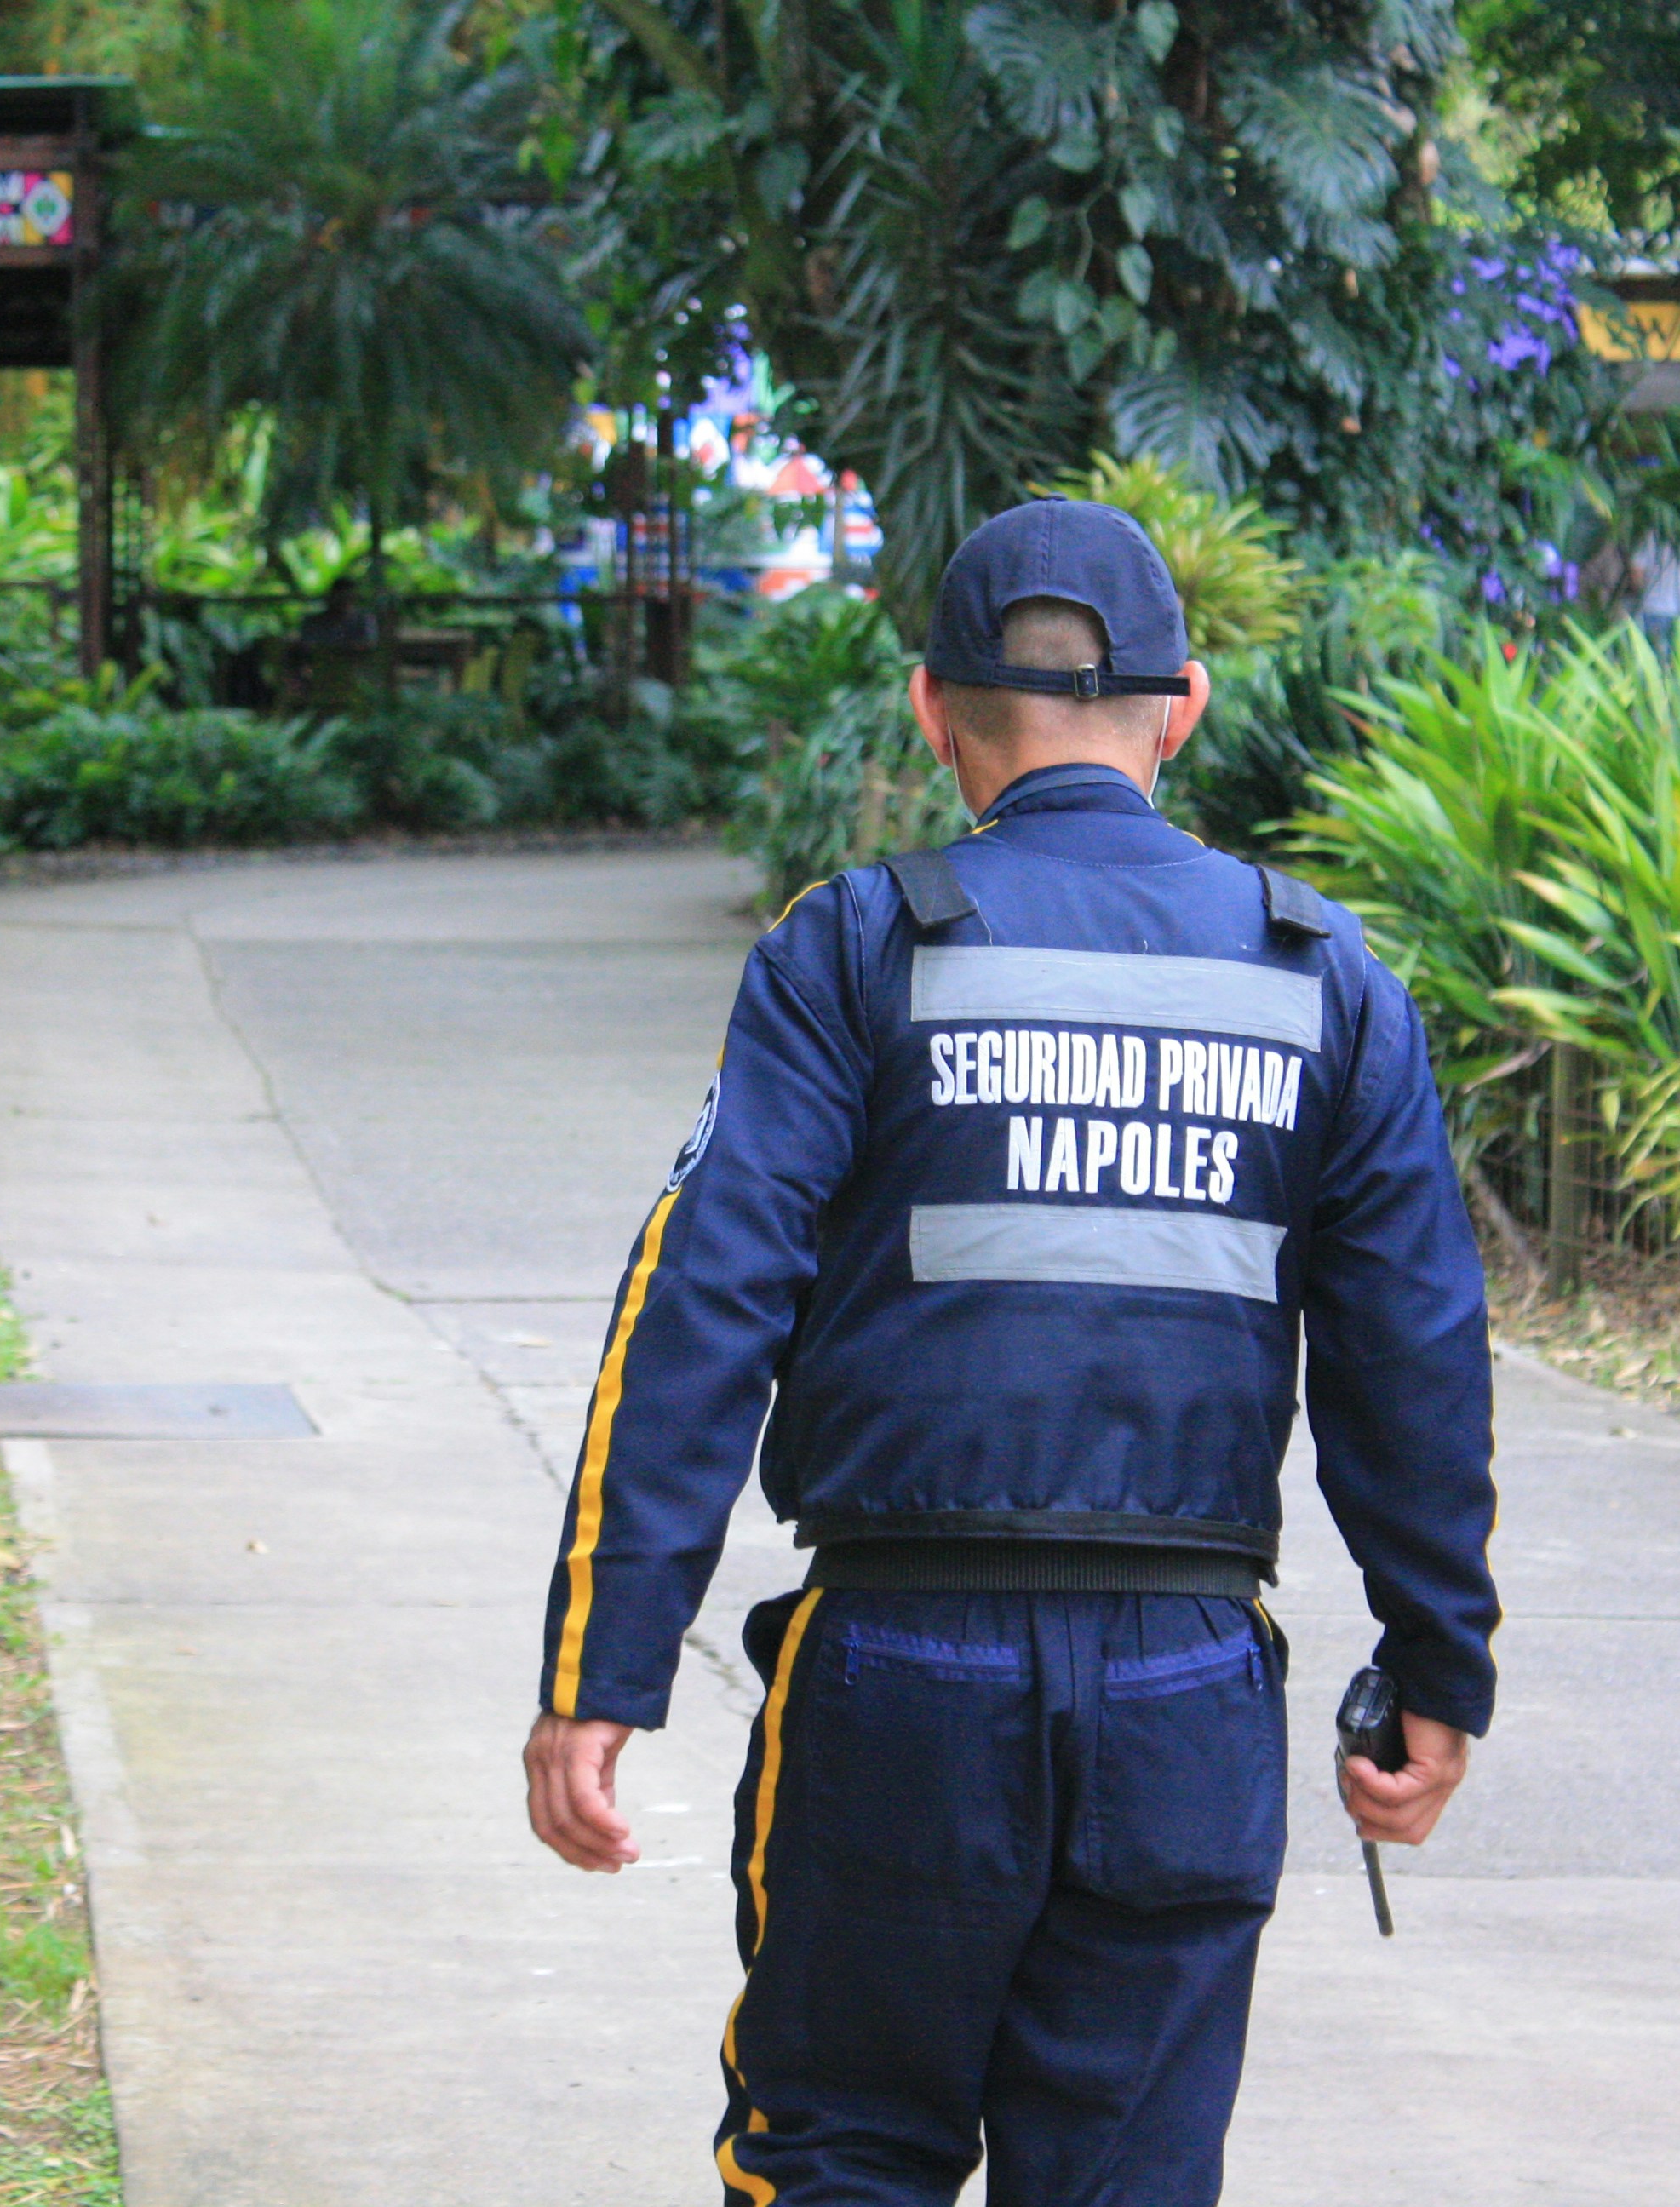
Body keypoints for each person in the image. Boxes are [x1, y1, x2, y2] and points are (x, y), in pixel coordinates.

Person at [523, 496, 1499, 2204]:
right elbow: (1411, 1352)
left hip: (899, 1677)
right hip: (1186, 1695)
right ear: (1183, 707)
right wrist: (1438, 1664)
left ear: (929, 707)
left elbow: (704, 1304)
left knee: (842, 2158)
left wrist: (601, 1673)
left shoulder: (854, 949)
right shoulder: (1323, 976)